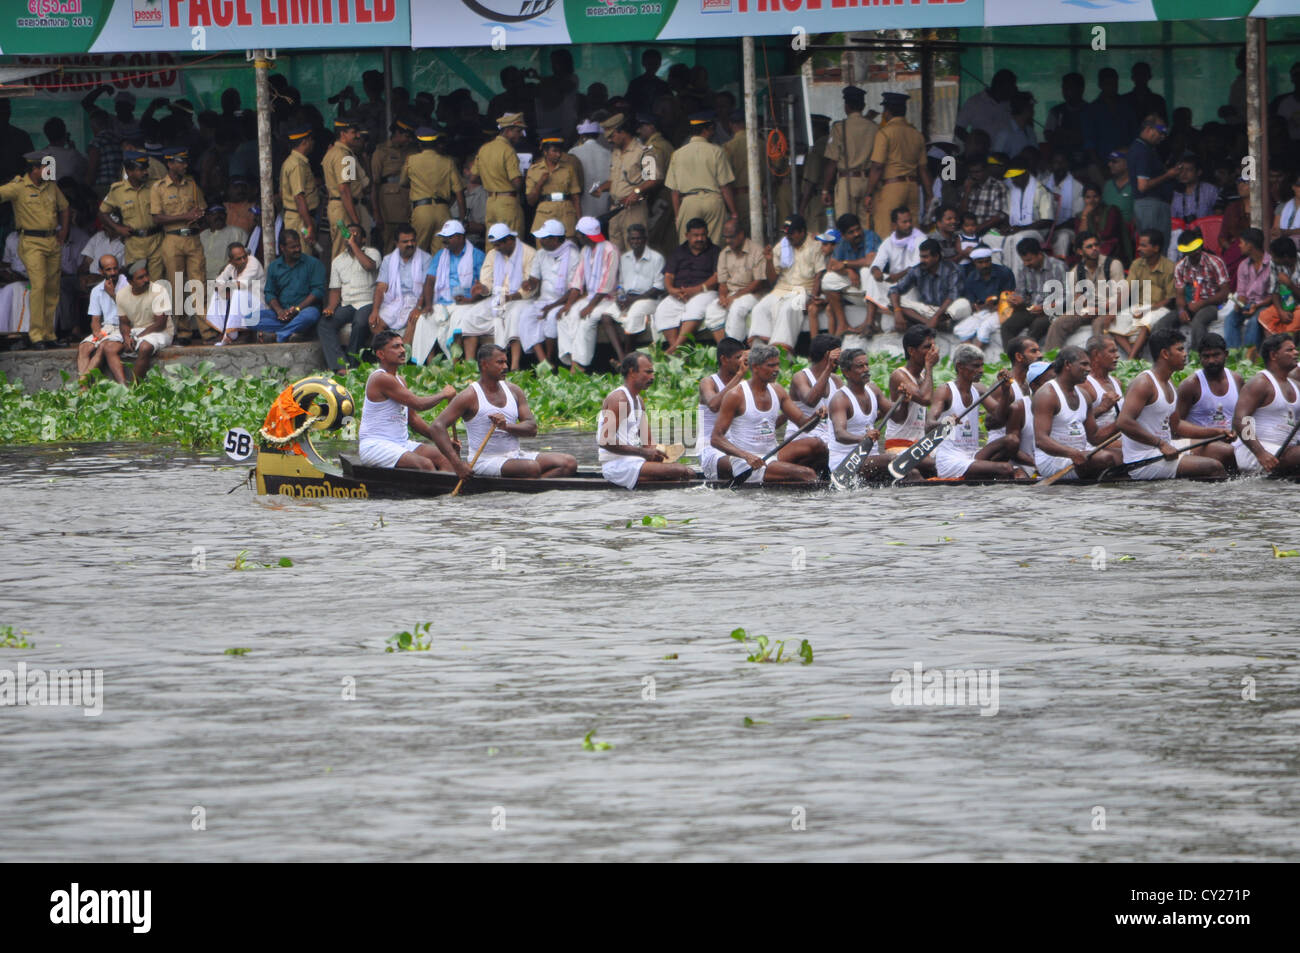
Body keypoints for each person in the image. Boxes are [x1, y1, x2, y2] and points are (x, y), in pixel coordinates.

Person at [431, 343, 578, 480]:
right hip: (485, 460)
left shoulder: (514, 391)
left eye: (506, 362)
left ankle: (528, 484)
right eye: (500, 363)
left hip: (515, 457)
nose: (506, 367)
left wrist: (506, 426)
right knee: (531, 468)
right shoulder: (470, 395)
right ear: (484, 364)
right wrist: (457, 464)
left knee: (568, 463)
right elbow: (437, 426)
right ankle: (530, 481)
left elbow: (532, 429)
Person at [1117, 327, 1231, 480]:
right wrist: (1160, 444)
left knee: (1225, 451)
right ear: (1165, 354)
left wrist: (1216, 432)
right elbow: (1123, 422)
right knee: (1213, 467)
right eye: (1180, 350)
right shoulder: (1144, 383)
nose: (1185, 354)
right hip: (1142, 459)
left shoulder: (1169, 383)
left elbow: (1177, 425)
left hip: (1166, 447)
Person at [710, 342, 825, 484]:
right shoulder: (736, 395)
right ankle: (813, 486)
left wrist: (816, 417)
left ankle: (819, 480)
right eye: (771, 366)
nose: (776, 370)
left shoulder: (778, 390)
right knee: (807, 474)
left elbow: (804, 425)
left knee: (818, 445)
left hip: (772, 456)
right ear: (756, 367)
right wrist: (747, 456)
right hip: (747, 464)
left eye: (777, 365)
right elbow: (716, 439)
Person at [356, 330, 458, 471]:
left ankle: (449, 492)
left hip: (401, 443)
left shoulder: (400, 381)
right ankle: (435, 492)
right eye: (396, 347)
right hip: (375, 446)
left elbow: (414, 419)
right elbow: (419, 404)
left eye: (402, 346)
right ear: (381, 354)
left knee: (447, 458)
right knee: (425, 464)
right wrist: (443, 394)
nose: (403, 350)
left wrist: (443, 442)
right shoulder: (380, 378)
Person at [0, 151, 70, 349]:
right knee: (38, 286)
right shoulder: (18, 187)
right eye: (46, 167)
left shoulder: (51, 186)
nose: (50, 171)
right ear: (35, 169)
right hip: (31, 241)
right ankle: (36, 335)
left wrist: (64, 231)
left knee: (52, 288)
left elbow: (65, 207)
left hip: (52, 241)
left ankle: (49, 334)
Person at [596, 352, 696, 488]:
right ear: (632, 372)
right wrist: (644, 453)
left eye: (652, 373)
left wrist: (663, 453)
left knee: (688, 471)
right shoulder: (619, 399)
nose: (652, 377)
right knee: (679, 471)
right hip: (616, 465)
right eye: (648, 372)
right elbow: (605, 441)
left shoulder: (639, 401)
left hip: (633, 460)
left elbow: (648, 442)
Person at [929, 344, 1024, 481]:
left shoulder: (979, 389)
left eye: (982, 365)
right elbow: (929, 423)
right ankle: (990, 472)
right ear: (960, 366)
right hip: (951, 460)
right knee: (1006, 469)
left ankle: (985, 471)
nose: (981, 370)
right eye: (976, 366)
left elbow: (999, 416)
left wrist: (1005, 390)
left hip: (973, 455)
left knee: (1012, 441)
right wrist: (945, 423)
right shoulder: (946, 391)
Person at [1031, 345, 1120, 480]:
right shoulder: (1047, 394)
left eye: (1089, 365)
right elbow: (1041, 440)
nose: (1089, 369)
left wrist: (1121, 423)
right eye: (1084, 364)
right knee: (1105, 458)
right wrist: (1072, 453)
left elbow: (1095, 437)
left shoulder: (1084, 395)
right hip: (1052, 460)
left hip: (1079, 456)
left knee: (1124, 456)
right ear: (1067, 364)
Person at [150, 147, 208, 342]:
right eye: (180, 162)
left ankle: (206, 329)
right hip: (172, 239)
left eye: (185, 162)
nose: (184, 165)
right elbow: (156, 218)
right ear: (170, 163)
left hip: (193, 238)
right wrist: (185, 216)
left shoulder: (192, 185)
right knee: (176, 286)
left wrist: (198, 216)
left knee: (198, 284)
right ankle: (184, 330)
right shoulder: (158, 187)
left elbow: (202, 209)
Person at [411, 219, 484, 364]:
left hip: (467, 303)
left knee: (458, 322)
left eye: (449, 237)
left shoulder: (477, 255)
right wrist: (428, 304)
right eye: (444, 237)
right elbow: (430, 281)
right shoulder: (440, 256)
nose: (445, 241)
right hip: (442, 301)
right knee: (424, 320)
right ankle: (429, 365)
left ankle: (455, 363)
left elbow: (485, 285)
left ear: (461, 237)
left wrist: (472, 299)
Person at [465, 223, 536, 371]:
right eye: (495, 245)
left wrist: (511, 297)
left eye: (499, 245)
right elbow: (487, 283)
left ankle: (514, 366)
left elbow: (531, 287)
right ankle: (469, 366)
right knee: (470, 317)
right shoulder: (493, 254)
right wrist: (482, 289)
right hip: (498, 298)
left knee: (514, 314)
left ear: (509, 240)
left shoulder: (529, 253)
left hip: (522, 300)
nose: (496, 248)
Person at [748, 215, 824, 351]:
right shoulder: (782, 246)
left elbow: (819, 274)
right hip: (781, 289)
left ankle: (781, 354)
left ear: (802, 232)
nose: (788, 236)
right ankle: (759, 353)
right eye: (786, 233)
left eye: (792, 233)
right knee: (759, 309)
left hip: (803, 290)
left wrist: (813, 298)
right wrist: (769, 260)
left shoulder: (815, 246)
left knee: (787, 309)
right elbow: (772, 280)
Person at [556, 216, 619, 372]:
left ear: (583, 236)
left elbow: (607, 284)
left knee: (586, 321)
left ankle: (580, 365)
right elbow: (578, 280)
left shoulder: (611, 250)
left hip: (608, 298)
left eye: (579, 235)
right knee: (564, 316)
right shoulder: (585, 250)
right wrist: (568, 304)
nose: (578, 237)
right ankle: (572, 360)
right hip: (591, 297)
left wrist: (590, 307)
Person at [593, 222, 663, 362]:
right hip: (628, 298)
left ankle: (628, 356)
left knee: (633, 316)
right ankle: (622, 356)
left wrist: (633, 300)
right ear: (628, 240)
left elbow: (658, 288)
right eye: (632, 239)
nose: (635, 242)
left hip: (648, 300)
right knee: (606, 316)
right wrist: (620, 298)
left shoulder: (656, 258)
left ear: (645, 239)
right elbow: (621, 284)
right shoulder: (625, 258)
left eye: (638, 238)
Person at [1232, 334, 1300, 476]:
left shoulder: (1296, 385)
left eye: (1295, 349)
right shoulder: (1260, 383)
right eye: (1289, 350)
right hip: (1257, 453)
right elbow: (1240, 421)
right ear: (1274, 355)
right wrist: (1261, 453)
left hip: (1288, 451)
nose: (1296, 352)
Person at [664, 113, 737, 245]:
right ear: (706, 130)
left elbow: (674, 192)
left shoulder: (678, 154)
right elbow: (724, 186)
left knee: (688, 246)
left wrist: (677, 216)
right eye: (712, 129)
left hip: (688, 202)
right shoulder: (717, 151)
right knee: (714, 246)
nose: (713, 132)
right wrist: (733, 213)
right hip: (713, 201)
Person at [864, 92, 929, 239]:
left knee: (886, 232)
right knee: (913, 234)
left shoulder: (884, 133)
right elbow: (923, 169)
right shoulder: (917, 134)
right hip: (912, 188)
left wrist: (868, 193)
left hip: (891, 188)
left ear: (887, 111)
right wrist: (929, 195)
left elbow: (877, 166)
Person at [1156, 228, 1232, 349]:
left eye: (1196, 250)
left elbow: (1224, 293)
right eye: (1189, 252)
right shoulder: (1180, 266)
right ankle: (1164, 355)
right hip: (1190, 304)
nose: (1194, 254)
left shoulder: (1215, 262)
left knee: (1198, 322)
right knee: (1163, 323)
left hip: (1212, 304)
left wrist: (1202, 303)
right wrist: (1181, 310)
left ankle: (1198, 357)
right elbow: (1180, 295)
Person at [827, 346, 897, 478]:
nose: (866, 369)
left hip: (871, 458)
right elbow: (839, 434)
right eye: (860, 366)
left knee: (912, 472)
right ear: (846, 372)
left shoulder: (873, 390)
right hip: (845, 462)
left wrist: (904, 400)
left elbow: (896, 414)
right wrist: (863, 438)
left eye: (866, 365)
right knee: (893, 459)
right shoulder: (840, 399)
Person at [654, 216, 720, 354]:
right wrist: (672, 290)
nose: (700, 239)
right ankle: (679, 353)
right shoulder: (679, 251)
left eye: (703, 235)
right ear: (687, 235)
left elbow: (717, 276)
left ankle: (675, 348)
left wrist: (696, 290)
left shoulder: (715, 251)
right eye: (695, 235)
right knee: (663, 309)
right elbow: (668, 275)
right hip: (679, 293)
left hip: (705, 292)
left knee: (694, 308)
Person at [518, 219, 578, 368]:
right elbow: (534, 279)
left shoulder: (573, 256)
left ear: (556, 239)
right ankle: (543, 362)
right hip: (544, 300)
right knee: (526, 316)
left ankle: (551, 359)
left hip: (564, 301)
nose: (541, 241)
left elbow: (573, 289)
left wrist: (552, 306)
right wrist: (529, 284)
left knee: (551, 318)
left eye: (544, 238)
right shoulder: (540, 254)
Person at [319, 227, 379, 370]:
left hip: (367, 302)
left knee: (359, 323)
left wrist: (354, 245)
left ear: (363, 239)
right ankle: (340, 366)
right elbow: (335, 290)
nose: (350, 235)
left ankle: (353, 365)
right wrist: (331, 308)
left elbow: (370, 266)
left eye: (355, 233)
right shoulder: (338, 261)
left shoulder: (372, 253)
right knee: (325, 324)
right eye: (348, 233)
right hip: (347, 304)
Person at [251, 230, 325, 344]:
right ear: (282, 248)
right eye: (293, 247)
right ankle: (295, 330)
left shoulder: (313, 263)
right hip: (282, 314)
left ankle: (277, 336)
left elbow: (318, 291)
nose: (297, 249)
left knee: (310, 316)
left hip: (304, 310)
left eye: (298, 246)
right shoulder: (274, 266)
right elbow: (269, 293)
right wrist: (280, 311)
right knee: (249, 318)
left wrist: (297, 309)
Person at [600, 113, 660, 252]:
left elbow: (654, 178)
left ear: (622, 132)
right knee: (615, 253)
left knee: (635, 253)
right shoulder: (615, 152)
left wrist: (637, 191)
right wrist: (601, 188)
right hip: (615, 209)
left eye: (612, 136)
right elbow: (615, 180)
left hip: (634, 209)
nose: (609, 140)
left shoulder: (643, 151)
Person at [1111, 229, 1175, 359]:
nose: (1139, 248)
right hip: (1139, 306)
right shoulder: (1136, 264)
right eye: (1139, 245)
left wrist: (1147, 310)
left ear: (1156, 248)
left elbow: (1169, 298)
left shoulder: (1169, 267)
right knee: (1113, 323)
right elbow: (1126, 289)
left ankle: (1130, 360)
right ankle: (1134, 357)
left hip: (1160, 308)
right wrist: (1113, 310)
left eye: (1144, 245)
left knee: (1145, 323)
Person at [1175, 333, 1242, 456]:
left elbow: (1246, 416)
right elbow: (1176, 426)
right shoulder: (1190, 385)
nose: (1211, 361)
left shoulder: (1237, 380)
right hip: (1202, 444)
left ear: (1226, 354)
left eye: (1216, 355)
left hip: (1233, 441)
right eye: (1206, 356)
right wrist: (1213, 433)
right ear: (1199, 357)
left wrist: (1247, 436)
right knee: (1226, 452)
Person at [401, 126, 464, 255]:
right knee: (442, 256)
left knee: (417, 253)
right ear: (436, 143)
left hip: (421, 211)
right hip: (443, 211)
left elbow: (403, 182)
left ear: (419, 143)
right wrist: (463, 219)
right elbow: (459, 192)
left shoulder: (411, 160)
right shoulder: (448, 162)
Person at [886, 237, 969, 333]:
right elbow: (895, 290)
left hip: (946, 312)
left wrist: (937, 316)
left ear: (936, 257)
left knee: (964, 304)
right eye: (921, 256)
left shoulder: (952, 270)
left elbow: (952, 296)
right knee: (892, 302)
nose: (922, 260)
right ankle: (931, 324)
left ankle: (932, 323)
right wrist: (897, 312)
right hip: (927, 312)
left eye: (925, 257)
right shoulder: (917, 270)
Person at [821, 86, 878, 222]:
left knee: (845, 225)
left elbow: (832, 162)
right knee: (865, 226)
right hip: (867, 182)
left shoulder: (839, 128)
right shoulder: (874, 127)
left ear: (846, 106)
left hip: (846, 182)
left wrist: (825, 189)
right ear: (863, 106)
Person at [695, 336, 748, 481]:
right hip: (710, 448)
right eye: (738, 357)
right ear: (724, 360)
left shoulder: (744, 384)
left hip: (735, 446)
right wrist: (739, 376)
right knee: (745, 465)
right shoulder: (708, 382)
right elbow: (714, 405)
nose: (743, 362)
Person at [112, 258, 174, 382]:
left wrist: (136, 337)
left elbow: (160, 325)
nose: (146, 280)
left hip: (161, 332)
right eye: (140, 278)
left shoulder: (159, 291)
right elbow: (124, 322)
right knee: (108, 347)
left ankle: (134, 387)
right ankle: (122, 385)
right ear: (130, 282)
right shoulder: (121, 294)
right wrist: (126, 337)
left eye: (146, 275)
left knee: (145, 347)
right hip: (137, 331)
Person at [818, 213, 879, 336]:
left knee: (865, 271)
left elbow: (869, 261)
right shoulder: (842, 243)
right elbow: (833, 265)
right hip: (858, 288)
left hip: (877, 289)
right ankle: (843, 324)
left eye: (858, 229)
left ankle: (869, 322)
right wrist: (848, 271)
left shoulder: (869, 236)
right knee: (828, 279)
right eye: (851, 232)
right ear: (843, 235)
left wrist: (846, 264)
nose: (856, 234)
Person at [705, 218, 765, 343]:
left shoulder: (757, 251)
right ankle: (725, 349)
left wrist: (734, 297)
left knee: (737, 309)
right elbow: (722, 283)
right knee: (712, 310)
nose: (727, 241)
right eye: (725, 237)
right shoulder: (724, 253)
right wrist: (722, 296)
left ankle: (735, 350)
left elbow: (758, 283)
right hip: (731, 294)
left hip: (754, 294)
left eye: (731, 237)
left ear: (741, 234)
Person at [860, 206, 925, 320]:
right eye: (904, 222)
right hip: (894, 284)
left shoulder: (920, 239)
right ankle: (870, 322)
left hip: (912, 285)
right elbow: (876, 264)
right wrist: (876, 271)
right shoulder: (889, 241)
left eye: (910, 221)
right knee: (867, 273)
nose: (909, 225)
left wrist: (897, 277)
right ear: (894, 225)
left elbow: (917, 267)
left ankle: (880, 315)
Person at [323, 114, 371, 266]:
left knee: (345, 249)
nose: (358, 136)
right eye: (353, 132)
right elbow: (344, 189)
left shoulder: (334, 152)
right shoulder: (344, 156)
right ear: (342, 134)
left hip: (341, 209)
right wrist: (356, 222)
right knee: (342, 250)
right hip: (345, 211)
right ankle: (337, 289)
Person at [370, 225, 431, 343]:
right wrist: (375, 310)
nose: (410, 244)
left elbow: (427, 287)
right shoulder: (388, 260)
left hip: (417, 300)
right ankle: (390, 353)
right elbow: (381, 287)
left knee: (414, 320)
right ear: (396, 243)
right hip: (394, 300)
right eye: (405, 241)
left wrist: (418, 308)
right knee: (374, 323)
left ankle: (403, 357)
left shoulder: (426, 259)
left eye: (413, 240)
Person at [1065, 230, 1126, 345]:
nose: (1094, 249)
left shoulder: (1113, 264)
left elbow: (1119, 297)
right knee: (1060, 322)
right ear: (1079, 251)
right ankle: (1050, 357)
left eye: (1096, 245)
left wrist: (1099, 308)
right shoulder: (1076, 271)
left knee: (1098, 324)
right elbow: (1074, 300)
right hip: (1088, 310)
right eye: (1089, 246)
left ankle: (1100, 357)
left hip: (1110, 309)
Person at [1002, 237, 1065, 343]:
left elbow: (1067, 296)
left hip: (1052, 310)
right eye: (1024, 260)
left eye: (1029, 260)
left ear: (1040, 254)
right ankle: (1012, 357)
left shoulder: (1058, 266)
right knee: (1007, 326)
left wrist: (1046, 308)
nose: (1026, 263)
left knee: (1037, 325)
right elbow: (1020, 292)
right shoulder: (1023, 268)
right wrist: (1016, 300)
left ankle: (1030, 356)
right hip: (1030, 308)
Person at [77, 255, 128, 383]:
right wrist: (97, 332)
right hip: (107, 328)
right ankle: (85, 387)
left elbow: (130, 312)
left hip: (123, 327)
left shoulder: (127, 284)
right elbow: (95, 319)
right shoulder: (96, 290)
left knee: (103, 346)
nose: (113, 273)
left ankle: (82, 385)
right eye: (108, 270)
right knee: (84, 347)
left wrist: (112, 294)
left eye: (115, 269)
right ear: (101, 272)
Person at [370, 117, 418, 253]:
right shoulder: (381, 152)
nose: (409, 140)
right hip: (389, 206)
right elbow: (375, 183)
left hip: (410, 202)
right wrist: (376, 212)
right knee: (390, 244)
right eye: (406, 136)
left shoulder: (413, 151)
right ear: (397, 133)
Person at [996, 163, 1055, 272]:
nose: (1013, 181)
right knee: (991, 238)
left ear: (1026, 174)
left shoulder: (1041, 190)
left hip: (1038, 231)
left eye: (1016, 177)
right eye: (1012, 178)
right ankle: (1003, 274)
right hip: (1018, 230)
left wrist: (1022, 229)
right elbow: (1008, 215)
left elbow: (1047, 220)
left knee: (1018, 239)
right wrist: (1007, 227)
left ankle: (1017, 274)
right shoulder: (1012, 191)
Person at [475, 113, 526, 236]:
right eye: (518, 131)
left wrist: (492, 180)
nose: (520, 135)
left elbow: (473, 177)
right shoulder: (508, 150)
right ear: (508, 131)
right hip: (507, 204)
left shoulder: (484, 149)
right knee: (512, 244)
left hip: (491, 203)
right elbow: (517, 183)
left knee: (492, 245)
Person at [952, 246, 1014, 347]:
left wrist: (996, 306)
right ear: (974, 263)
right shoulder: (971, 278)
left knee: (985, 327)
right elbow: (973, 303)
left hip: (1004, 310)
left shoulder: (1004, 273)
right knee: (961, 328)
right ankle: (970, 356)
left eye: (987, 261)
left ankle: (975, 357)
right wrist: (982, 306)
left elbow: (1010, 297)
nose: (984, 265)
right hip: (984, 311)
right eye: (980, 262)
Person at [786, 333, 843, 443]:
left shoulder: (836, 380)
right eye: (838, 355)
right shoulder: (801, 377)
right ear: (828, 355)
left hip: (829, 439)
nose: (839, 361)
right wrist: (829, 368)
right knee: (817, 444)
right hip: (803, 438)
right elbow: (811, 401)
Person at [526, 131, 583, 238]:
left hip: (566, 213)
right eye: (554, 151)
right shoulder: (534, 170)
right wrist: (540, 183)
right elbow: (530, 201)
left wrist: (580, 222)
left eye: (560, 151)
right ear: (545, 152)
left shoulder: (568, 168)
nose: (558, 154)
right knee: (544, 249)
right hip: (544, 214)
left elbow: (575, 197)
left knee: (569, 246)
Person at [206, 242, 264, 345]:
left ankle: (243, 333)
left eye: (244, 257)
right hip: (239, 302)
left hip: (258, 304)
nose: (243, 261)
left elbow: (240, 285)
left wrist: (225, 288)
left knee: (238, 293)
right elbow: (216, 283)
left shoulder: (253, 263)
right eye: (238, 259)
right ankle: (224, 332)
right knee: (218, 294)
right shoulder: (230, 267)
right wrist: (223, 289)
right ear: (231, 261)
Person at [1127, 116, 1175, 235]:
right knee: (1154, 246)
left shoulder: (1145, 148)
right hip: (1150, 205)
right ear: (1149, 129)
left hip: (1151, 205)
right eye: (1161, 132)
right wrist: (1168, 175)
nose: (1163, 137)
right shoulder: (1142, 150)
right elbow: (1142, 186)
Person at [1228, 228, 1272, 357]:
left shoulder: (1271, 264)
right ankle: (1233, 354)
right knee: (1231, 318)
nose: (1239, 246)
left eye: (1241, 242)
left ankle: (1249, 357)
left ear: (1250, 245)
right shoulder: (1243, 265)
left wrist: (1256, 306)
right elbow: (1242, 292)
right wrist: (1239, 303)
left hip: (1265, 304)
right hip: (1248, 303)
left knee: (1254, 320)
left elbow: (1273, 295)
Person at [1078, 335, 1125, 448]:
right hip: (1095, 443)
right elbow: (1074, 422)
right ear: (1096, 354)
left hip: (1120, 438)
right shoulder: (1085, 385)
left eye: (1116, 351)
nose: (1117, 356)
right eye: (1112, 351)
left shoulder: (1117, 382)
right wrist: (1102, 408)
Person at [280, 123, 319, 254]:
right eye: (311, 140)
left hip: (298, 218)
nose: (313, 143)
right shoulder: (297, 164)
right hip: (300, 220)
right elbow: (299, 197)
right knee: (303, 256)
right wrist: (309, 226)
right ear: (305, 141)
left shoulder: (294, 161)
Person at [954, 69, 1016, 148]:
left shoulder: (1010, 103)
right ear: (1001, 85)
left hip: (1005, 155)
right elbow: (958, 128)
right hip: (982, 156)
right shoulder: (975, 102)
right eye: (1011, 86)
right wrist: (975, 144)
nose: (1014, 89)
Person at [1045, 152, 1085, 258]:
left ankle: (1063, 272)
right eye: (1056, 163)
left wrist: (1055, 228)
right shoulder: (1043, 184)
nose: (1060, 166)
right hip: (1044, 229)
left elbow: (1076, 218)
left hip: (1065, 229)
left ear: (1067, 165)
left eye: (1063, 163)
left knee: (1063, 237)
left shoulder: (1078, 187)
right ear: (1050, 165)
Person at [958, 155, 1008, 240]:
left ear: (986, 170)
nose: (974, 175)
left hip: (990, 231)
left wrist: (978, 228)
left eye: (977, 172)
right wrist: (967, 191)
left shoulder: (998, 186)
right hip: (967, 230)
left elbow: (1000, 216)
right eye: (971, 172)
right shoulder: (968, 185)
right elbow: (962, 213)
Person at [1259, 237, 1300, 336]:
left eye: (1274, 256)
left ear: (1285, 257)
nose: (1272, 259)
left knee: (1297, 317)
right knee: (1265, 316)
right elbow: (1274, 291)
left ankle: (1287, 346)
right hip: (1284, 304)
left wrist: (1289, 284)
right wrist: (1280, 311)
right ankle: (1273, 346)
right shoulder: (1274, 263)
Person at [572, 119, 611, 221]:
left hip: (583, 207)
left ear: (582, 136)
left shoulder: (573, 152)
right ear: (597, 135)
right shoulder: (608, 153)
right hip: (603, 206)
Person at [199, 204, 247, 283]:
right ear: (207, 217)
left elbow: (245, 257)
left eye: (221, 213)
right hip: (203, 280)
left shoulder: (238, 233)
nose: (218, 217)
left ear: (226, 216)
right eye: (214, 214)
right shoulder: (202, 235)